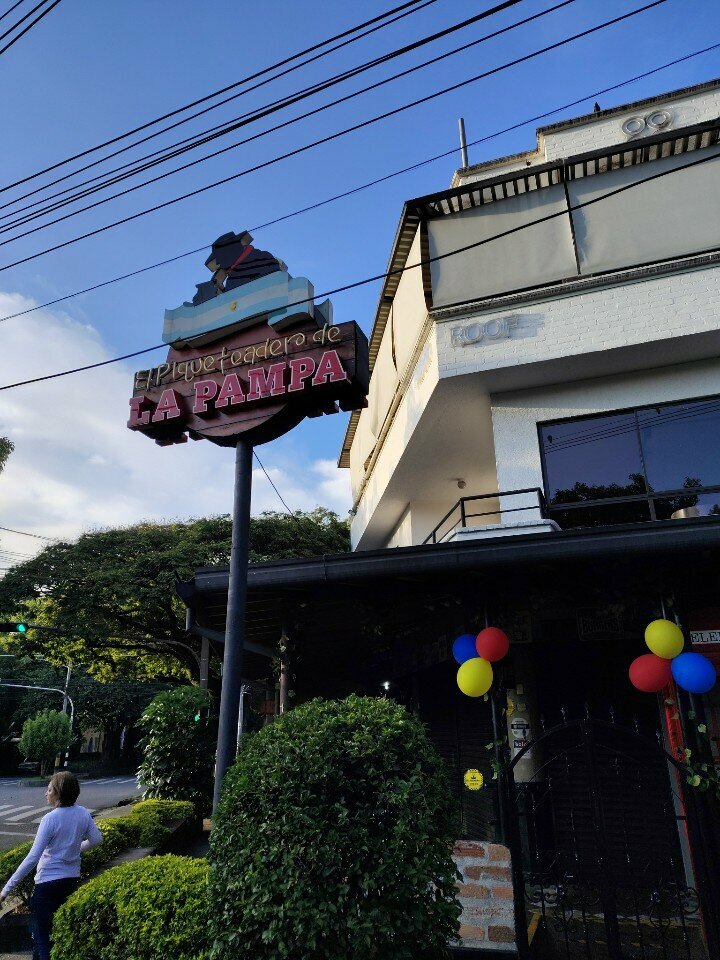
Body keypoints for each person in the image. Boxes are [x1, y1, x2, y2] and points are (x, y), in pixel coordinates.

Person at [0, 771, 103, 960]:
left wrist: (6, 889)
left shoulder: (50, 819)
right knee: (55, 934)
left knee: (42, 938)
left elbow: (32, 857)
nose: (45, 794)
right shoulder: (82, 813)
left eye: (49, 790)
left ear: (59, 793)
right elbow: (96, 840)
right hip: (70, 881)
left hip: (46, 885)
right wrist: (75, 849)